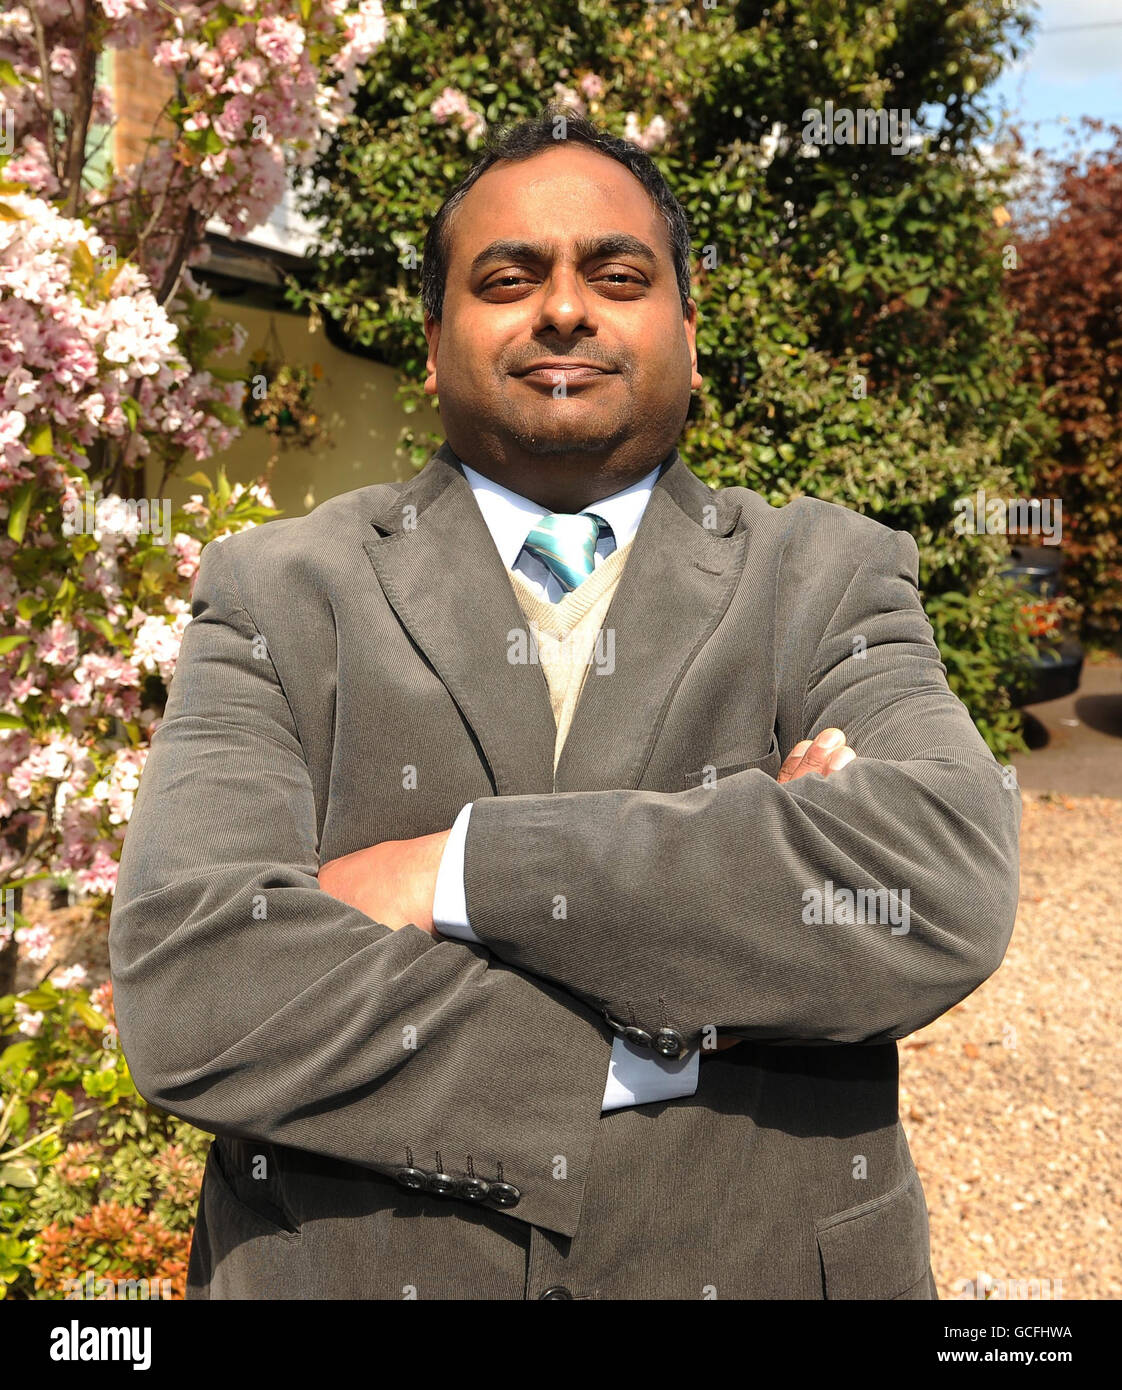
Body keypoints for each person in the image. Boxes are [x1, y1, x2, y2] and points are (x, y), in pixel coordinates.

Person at [108, 109, 1021, 1300]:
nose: (563, 308)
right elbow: (195, 988)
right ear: (433, 346)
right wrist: (685, 994)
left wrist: (455, 874)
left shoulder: (828, 576)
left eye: (618, 273)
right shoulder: (278, 593)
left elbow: (937, 876)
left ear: (691, 338)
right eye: (508, 277)